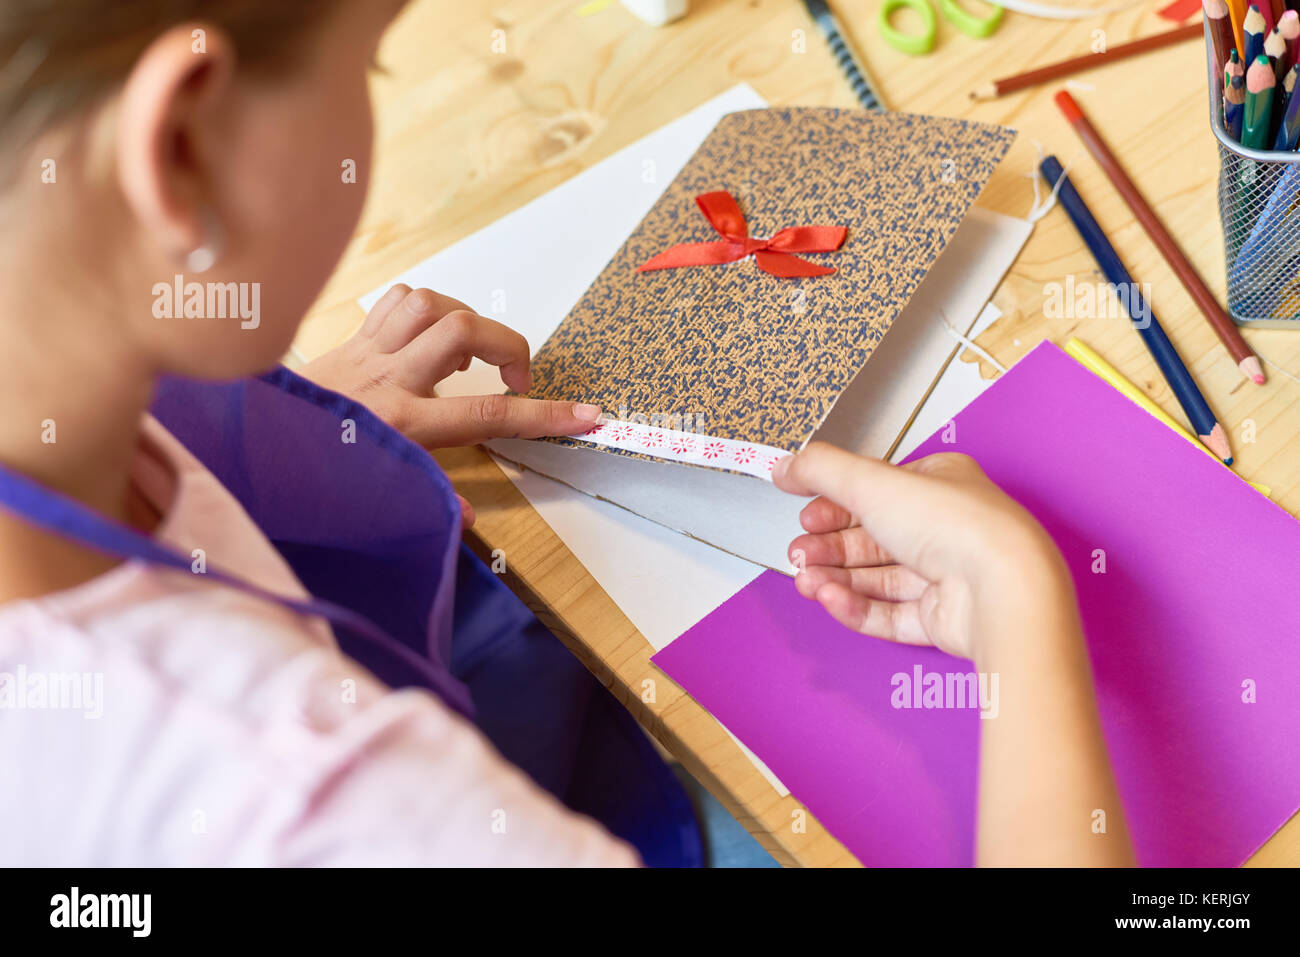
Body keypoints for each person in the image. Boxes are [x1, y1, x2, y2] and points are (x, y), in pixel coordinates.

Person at [0, 0, 1131, 867]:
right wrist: (1023, 608)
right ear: (181, 150)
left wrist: (267, 432)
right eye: (373, 59)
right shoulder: (328, 807)